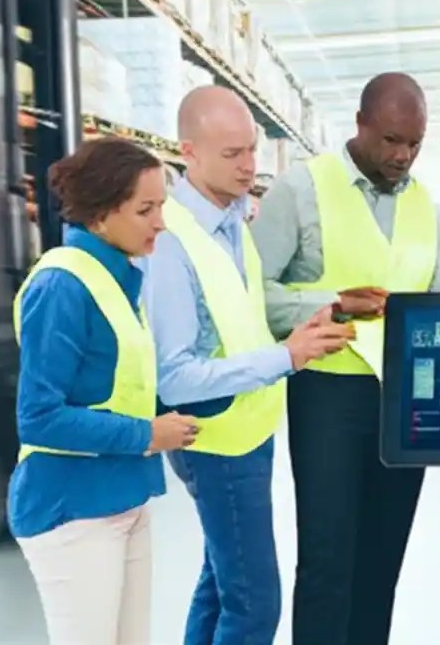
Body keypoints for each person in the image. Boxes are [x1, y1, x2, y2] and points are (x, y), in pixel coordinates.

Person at [141, 86, 353, 645]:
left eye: (252, 150)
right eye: (232, 154)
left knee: (220, 582)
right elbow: (175, 375)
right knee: (256, 604)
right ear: (189, 151)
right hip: (214, 442)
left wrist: (301, 331)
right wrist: (286, 357)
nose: (249, 166)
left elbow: (243, 321)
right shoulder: (171, 243)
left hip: (249, 432)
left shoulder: (237, 221)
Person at [251, 72, 440, 645]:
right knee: (328, 559)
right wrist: (332, 303)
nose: (403, 155)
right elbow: (254, 294)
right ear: (360, 125)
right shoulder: (299, 190)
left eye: (415, 143)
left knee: (382, 561)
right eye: (391, 140)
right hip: (329, 397)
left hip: (406, 404)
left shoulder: (425, 203)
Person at [9, 136, 201, 645]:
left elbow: (122, 385)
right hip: (72, 507)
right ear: (99, 216)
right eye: (146, 209)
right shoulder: (62, 287)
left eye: (161, 206)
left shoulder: (117, 278)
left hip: (124, 497)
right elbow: (39, 416)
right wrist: (147, 434)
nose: (160, 221)